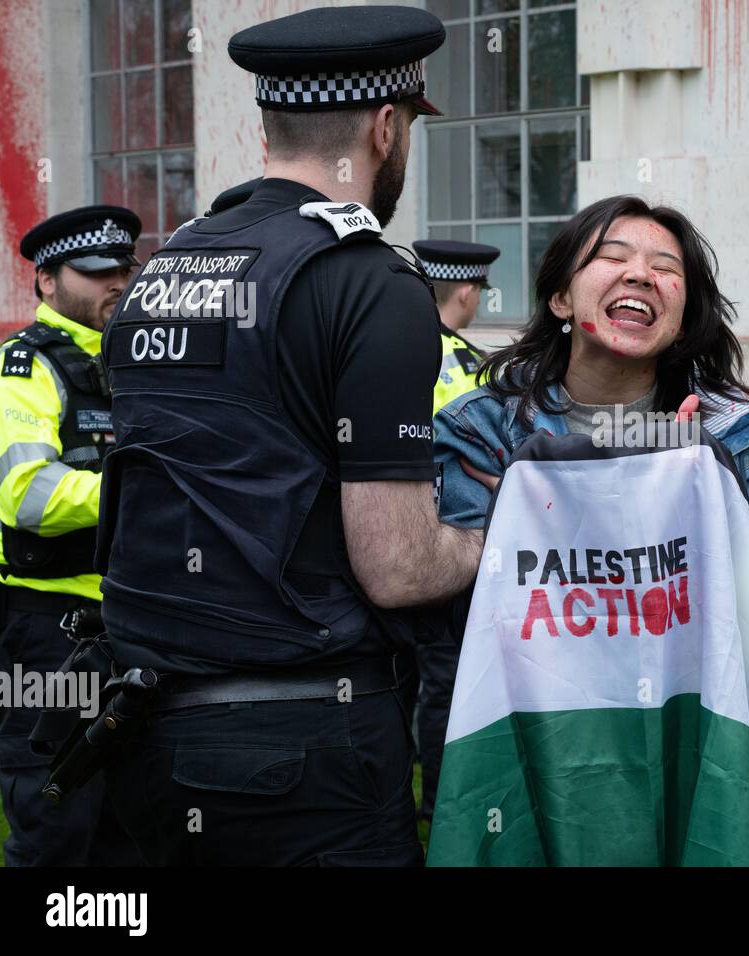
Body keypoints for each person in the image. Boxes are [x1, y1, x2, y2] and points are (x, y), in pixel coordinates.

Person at [96, 5, 481, 866]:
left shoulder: (163, 270)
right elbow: (398, 565)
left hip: (147, 730)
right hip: (303, 755)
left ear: (266, 125)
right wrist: (496, 537)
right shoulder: (370, 282)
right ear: (386, 128)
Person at [433, 194, 749, 536]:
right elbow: (475, 580)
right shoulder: (483, 429)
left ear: (682, 321)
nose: (640, 274)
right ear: (561, 299)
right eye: (613, 256)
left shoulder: (728, 428)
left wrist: (550, 517)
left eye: (664, 267)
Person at [0, 205, 142, 866]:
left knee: (131, 824)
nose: (116, 281)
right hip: (47, 632)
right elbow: (25, 495)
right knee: (54, 818)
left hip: (130, 623)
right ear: (47, 281)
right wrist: (138, 491)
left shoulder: (133, 363)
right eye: (96, 271)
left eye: (122, 268)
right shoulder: (22, 368)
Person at [410, 237, 500, 821]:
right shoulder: (471, 366)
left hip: (400, 543)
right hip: (462, 548)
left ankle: (426, 807)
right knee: (451, 681)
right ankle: (446, 812)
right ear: (466, 291)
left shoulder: (399, 348)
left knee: (421, 681)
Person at [414, 239, 500, 413]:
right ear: (466, 294)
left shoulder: (405, 338)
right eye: (479, 291)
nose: (478, 302)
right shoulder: (465, 365)